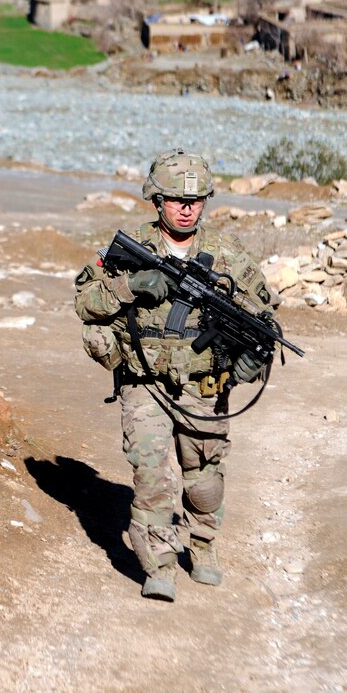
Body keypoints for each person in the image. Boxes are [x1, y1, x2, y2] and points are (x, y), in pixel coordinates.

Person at [74, 148, 277, 602]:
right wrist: (130, 286)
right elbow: (83, 302)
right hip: (144, 381)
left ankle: (203, 545)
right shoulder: (129, 250)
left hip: (205, 386)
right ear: (156, 200)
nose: (187, 208)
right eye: (175, 199)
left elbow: (265, 320)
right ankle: (160, 564)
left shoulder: (227, 257)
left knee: (203, 474)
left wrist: (253, 361)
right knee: (150, 474)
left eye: (197, 199)